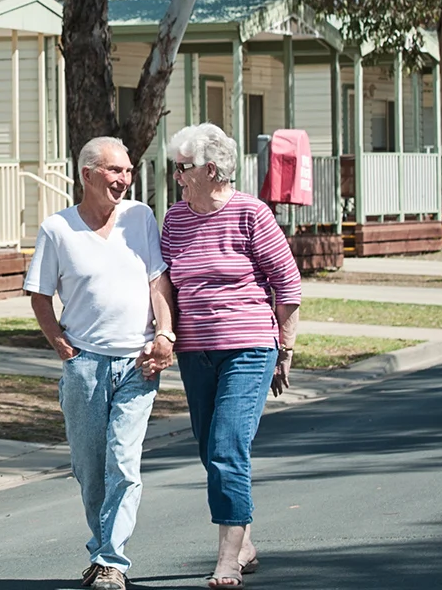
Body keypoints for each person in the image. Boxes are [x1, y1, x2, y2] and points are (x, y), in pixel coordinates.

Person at [23, 136, 175, 590]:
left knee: (123, 463)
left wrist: (164, 334)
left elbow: (158, 281)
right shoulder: (58, 229)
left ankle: (112, 560)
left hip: (138, 362)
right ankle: (101, 547)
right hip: (85, 365)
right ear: (87, 174)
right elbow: (39, 293)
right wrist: (59, 344)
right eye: (114, 171)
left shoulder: (140, 218)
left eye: (128, 171)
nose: (124, 180)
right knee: (90, 468)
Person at [157, 123, 301, 590]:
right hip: (195, 352)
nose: (177, 176)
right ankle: (246, 542)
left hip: (248, 347)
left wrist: (286, 348)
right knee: (209, 450)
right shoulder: (175, 218)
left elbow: (288, 285)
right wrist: (161, 332)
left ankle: (227, 561)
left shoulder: (251, 215)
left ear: (211, 170)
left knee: (226, 449)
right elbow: (164, 283)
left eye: (183, 167)